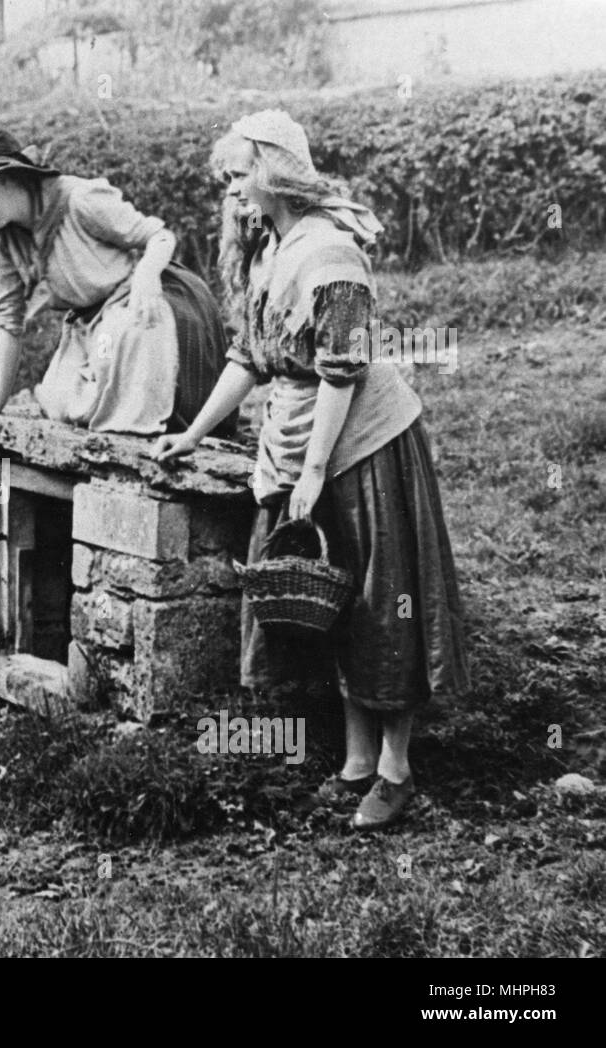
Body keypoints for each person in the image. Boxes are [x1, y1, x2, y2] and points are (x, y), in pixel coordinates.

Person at [150, 111, 470, 831]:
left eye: (238, 177)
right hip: (304, 441)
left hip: (364, 444)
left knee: (386, 599)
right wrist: (192, 434)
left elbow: (344, 371)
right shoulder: (271, 251)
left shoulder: (331, 255)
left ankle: (396, 769)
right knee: (336, 599)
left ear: (273, 172)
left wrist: (315, 471)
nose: (231, 194)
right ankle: (356, 760)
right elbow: (248, 359)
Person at [0, 126, 236, 437]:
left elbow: (159, 236)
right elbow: (8, 320)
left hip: (143, 301)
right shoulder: (6, 244)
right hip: (88, 323)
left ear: (7, 178)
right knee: (61, 404)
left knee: (123, 345)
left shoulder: (80, 199)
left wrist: (147, 277)